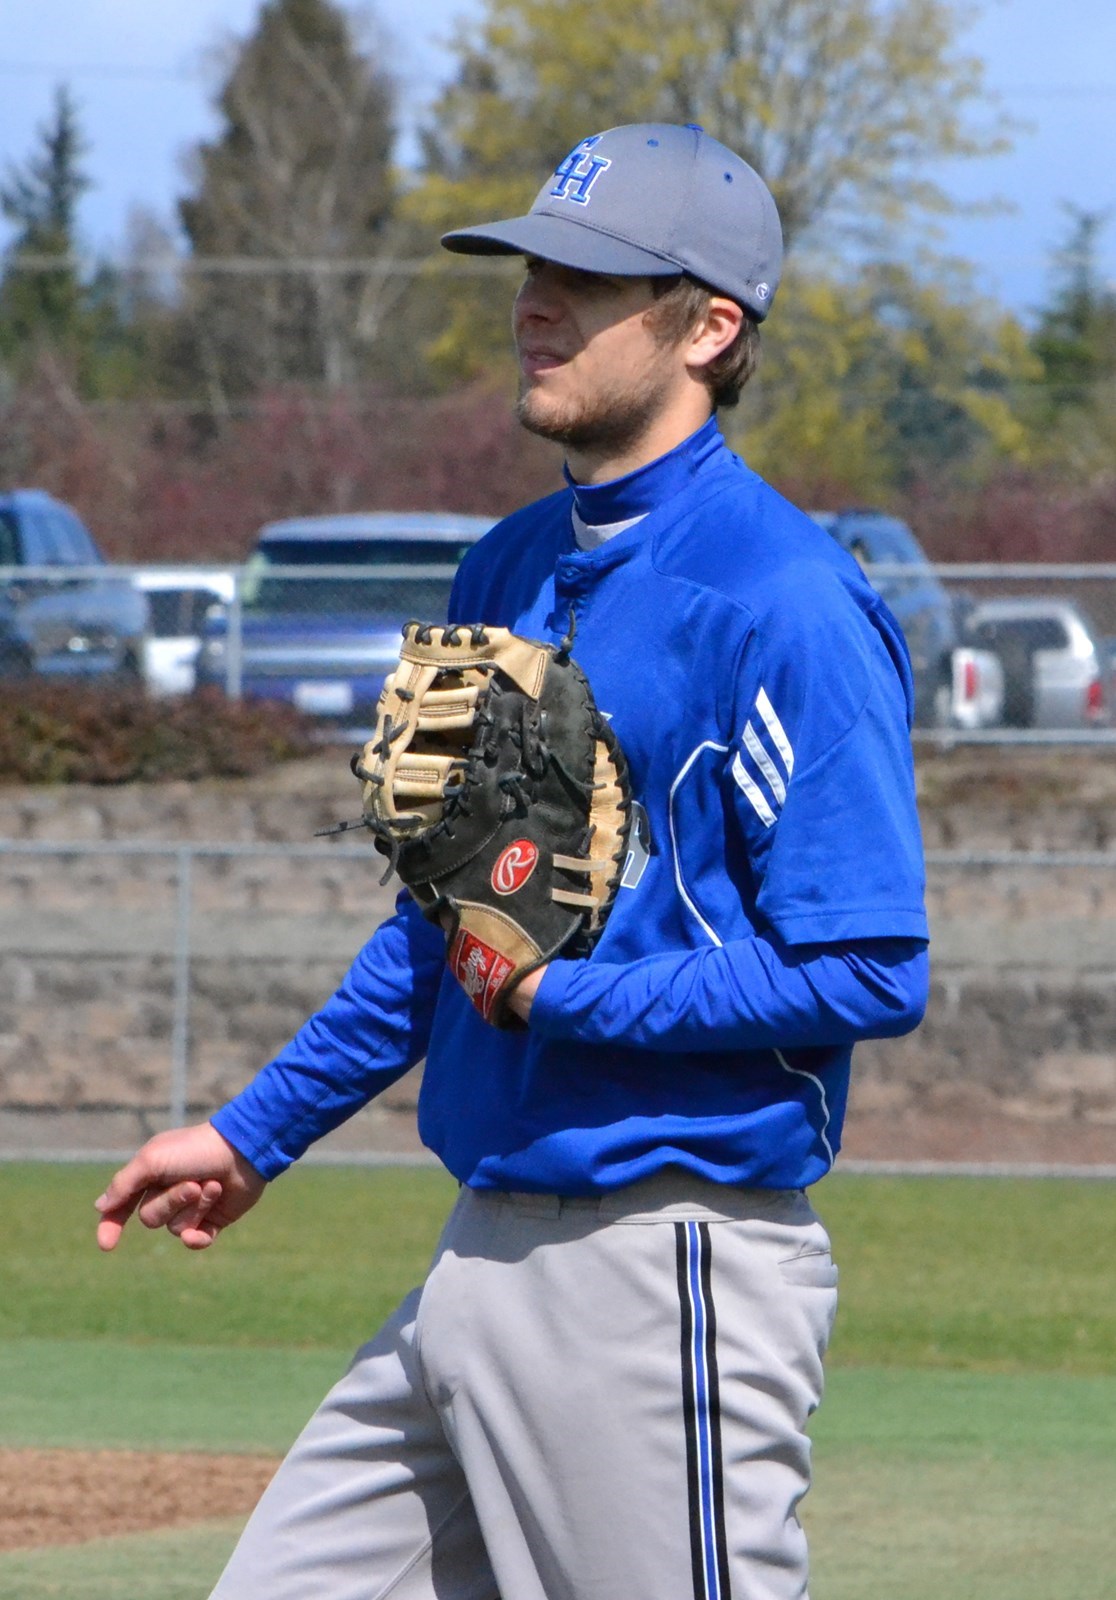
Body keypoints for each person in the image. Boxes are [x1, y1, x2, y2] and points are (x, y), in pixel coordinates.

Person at [95, 122, 929, 1600]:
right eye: (535, 266)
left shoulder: (784, 601)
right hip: (473, 1256)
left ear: (710, 327)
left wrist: (561, 1002)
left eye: (589, 280)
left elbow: (866, 965)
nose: (535, 301)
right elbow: (449, 927)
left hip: (660, 1262)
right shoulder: (514, 566)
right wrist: (256, 1131)